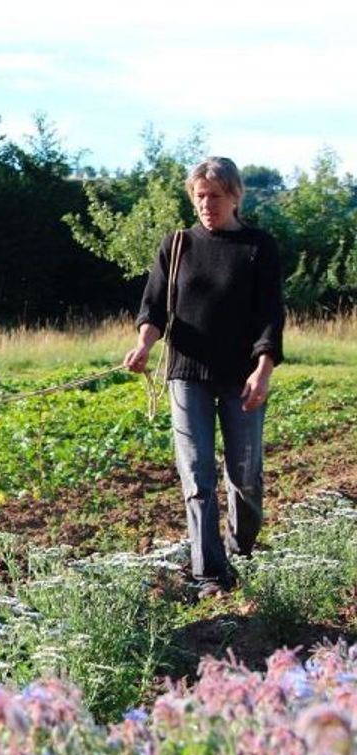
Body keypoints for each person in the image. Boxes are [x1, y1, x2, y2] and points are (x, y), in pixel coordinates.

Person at [124, 156, 284, 598]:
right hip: (186, 375)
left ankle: (241, 546)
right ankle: (210, 573)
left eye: (215, 196)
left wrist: (263, 369)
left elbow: (271, 316)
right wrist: (144, 343)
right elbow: (153, 308)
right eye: (199, 196)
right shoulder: (177, 245)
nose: (206, 205)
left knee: (245, 475)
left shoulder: (258, 247)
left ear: (235, 196)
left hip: (241, 377)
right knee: (197, 476)